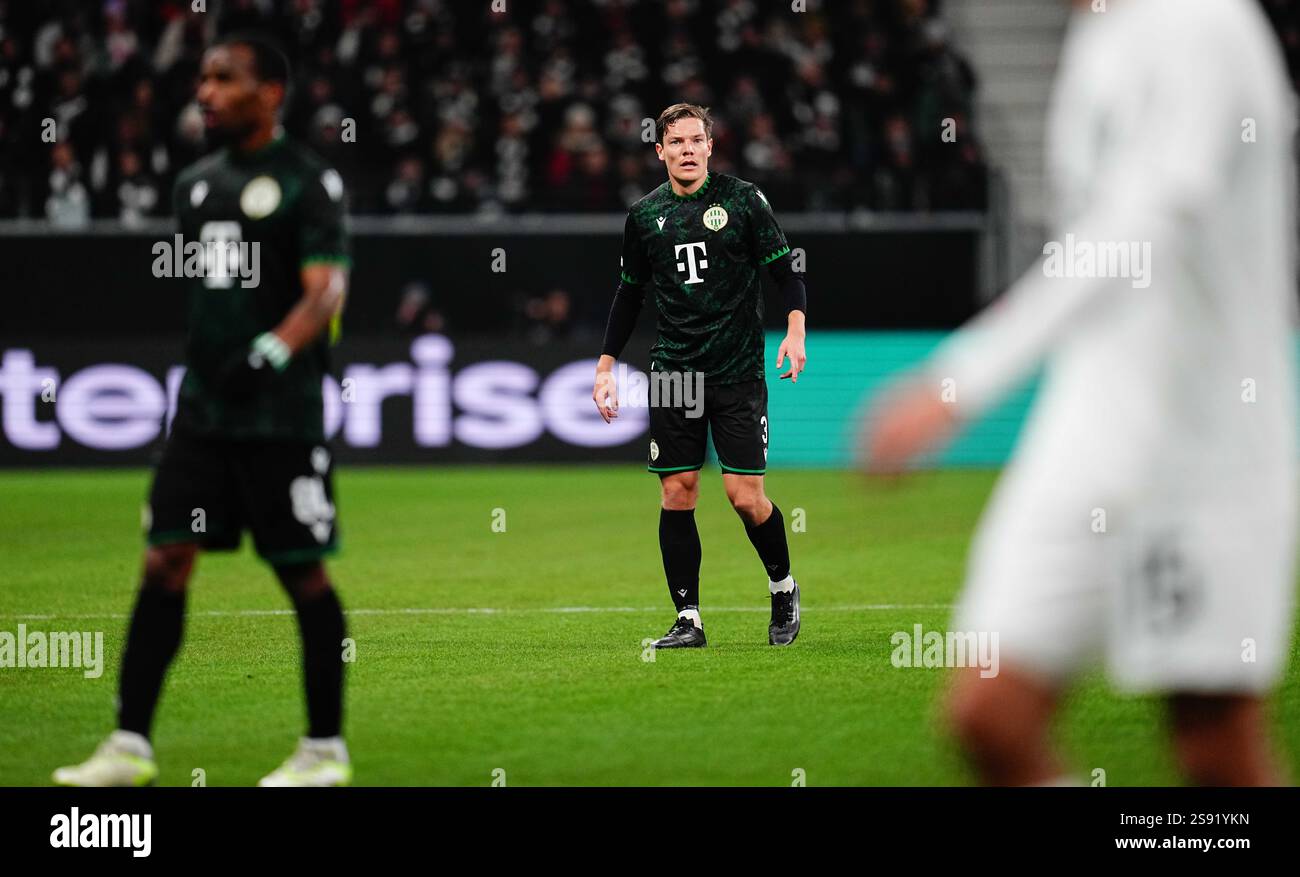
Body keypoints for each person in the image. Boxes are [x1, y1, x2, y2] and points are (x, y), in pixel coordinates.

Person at [864, 0, 1297, 785]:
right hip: (1087, 435)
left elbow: (1146, 224)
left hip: (1205, 451)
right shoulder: (1099, 36)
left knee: (1213, 748)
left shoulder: (1200, 23)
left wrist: (961, 379)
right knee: (987, 716)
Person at [54, 32, 354, 787]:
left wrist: (274, 351)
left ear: (270, 92)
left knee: (302, 574)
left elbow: (325, 291)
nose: (206, 92)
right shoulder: (195, 184)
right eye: (202, 78)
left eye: (224, 79)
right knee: (164, 558)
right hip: (201, 413)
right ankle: (128, 745)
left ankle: (324, 750)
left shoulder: (307, 183)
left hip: (280, 414)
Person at [594, 103, 809, 649]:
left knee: (743, 496)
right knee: (678, 492)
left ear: (710, 147)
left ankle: (783, 586)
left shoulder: (743, 200)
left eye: (696, 140)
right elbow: (629, 295)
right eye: (677, 142)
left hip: (737, 371)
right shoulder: (644, 216)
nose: (687, 150)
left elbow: (785, 274)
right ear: (659, 150)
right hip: (675, 373)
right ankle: (688, 619)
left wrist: (795, 328)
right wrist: (605, 365)